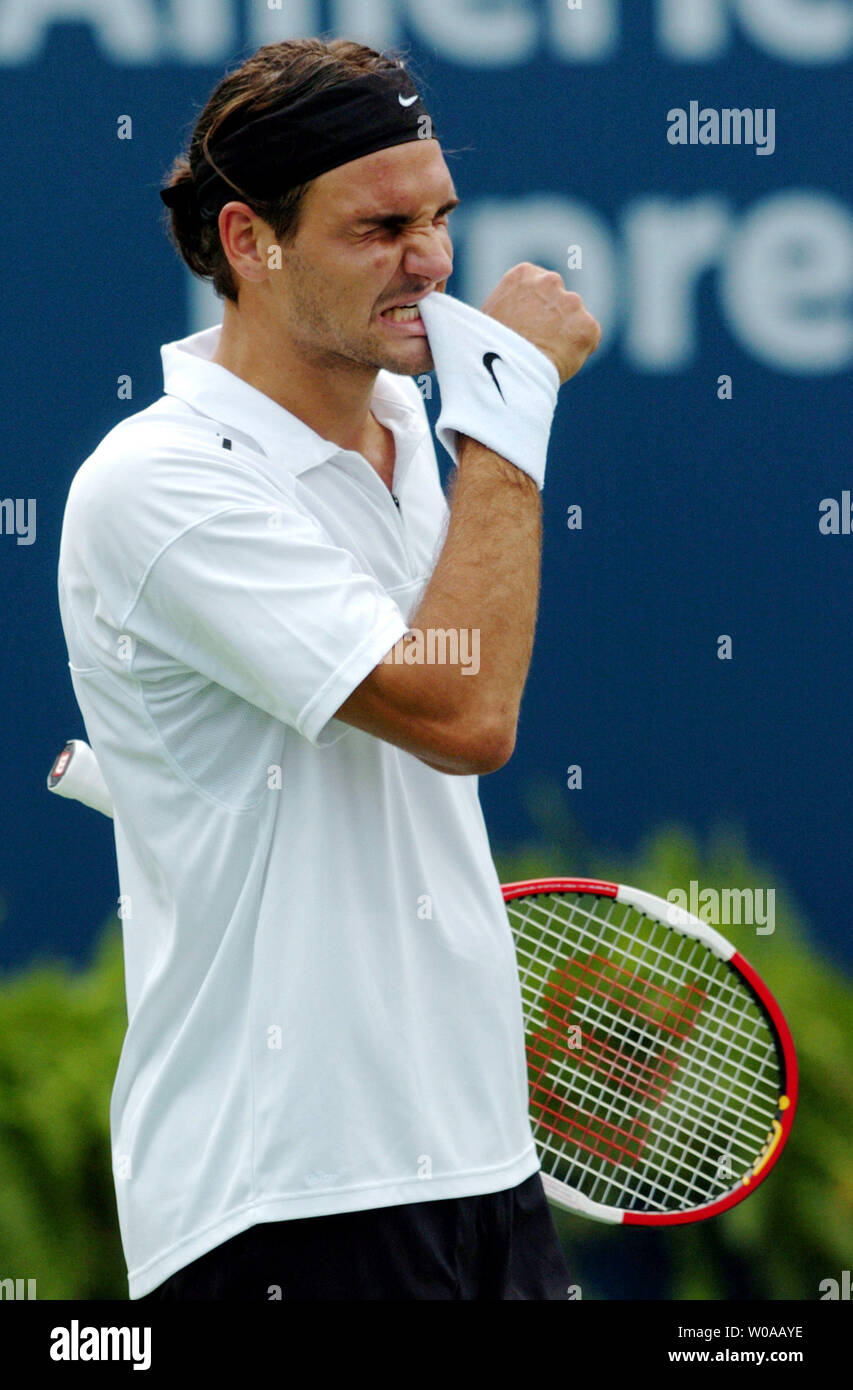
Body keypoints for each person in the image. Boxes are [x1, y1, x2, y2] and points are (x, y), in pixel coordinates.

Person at [57, 36, 600, 1301]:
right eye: (380, 226)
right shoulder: (159, 482)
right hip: (286, 1201)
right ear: (252, 243)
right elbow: (464, 711)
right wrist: (510, 402)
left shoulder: (415, 427)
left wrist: (473, 422)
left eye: (441, 218)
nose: (432, 260)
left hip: (484, 1176)